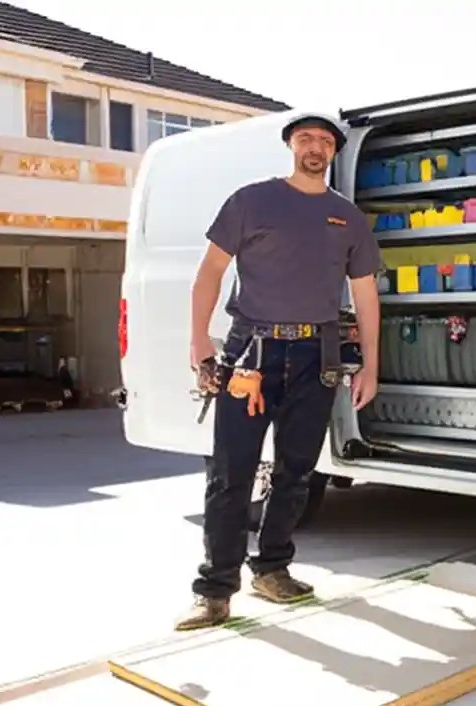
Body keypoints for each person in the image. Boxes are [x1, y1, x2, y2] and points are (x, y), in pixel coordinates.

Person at [176, 112, 382, 631]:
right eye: (305, 138)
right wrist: (199, 339)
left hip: (317, 358)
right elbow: (210, 273)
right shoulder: (252, 201)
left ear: (334, 151)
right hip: (251, 356)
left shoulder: (347, 217)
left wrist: (371, 366)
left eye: (324, 140)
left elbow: (364, 296)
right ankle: (215, 591)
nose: (315, 147)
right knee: (230, 477)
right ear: (291, 145)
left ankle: (271, 569)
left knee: (296, 474)